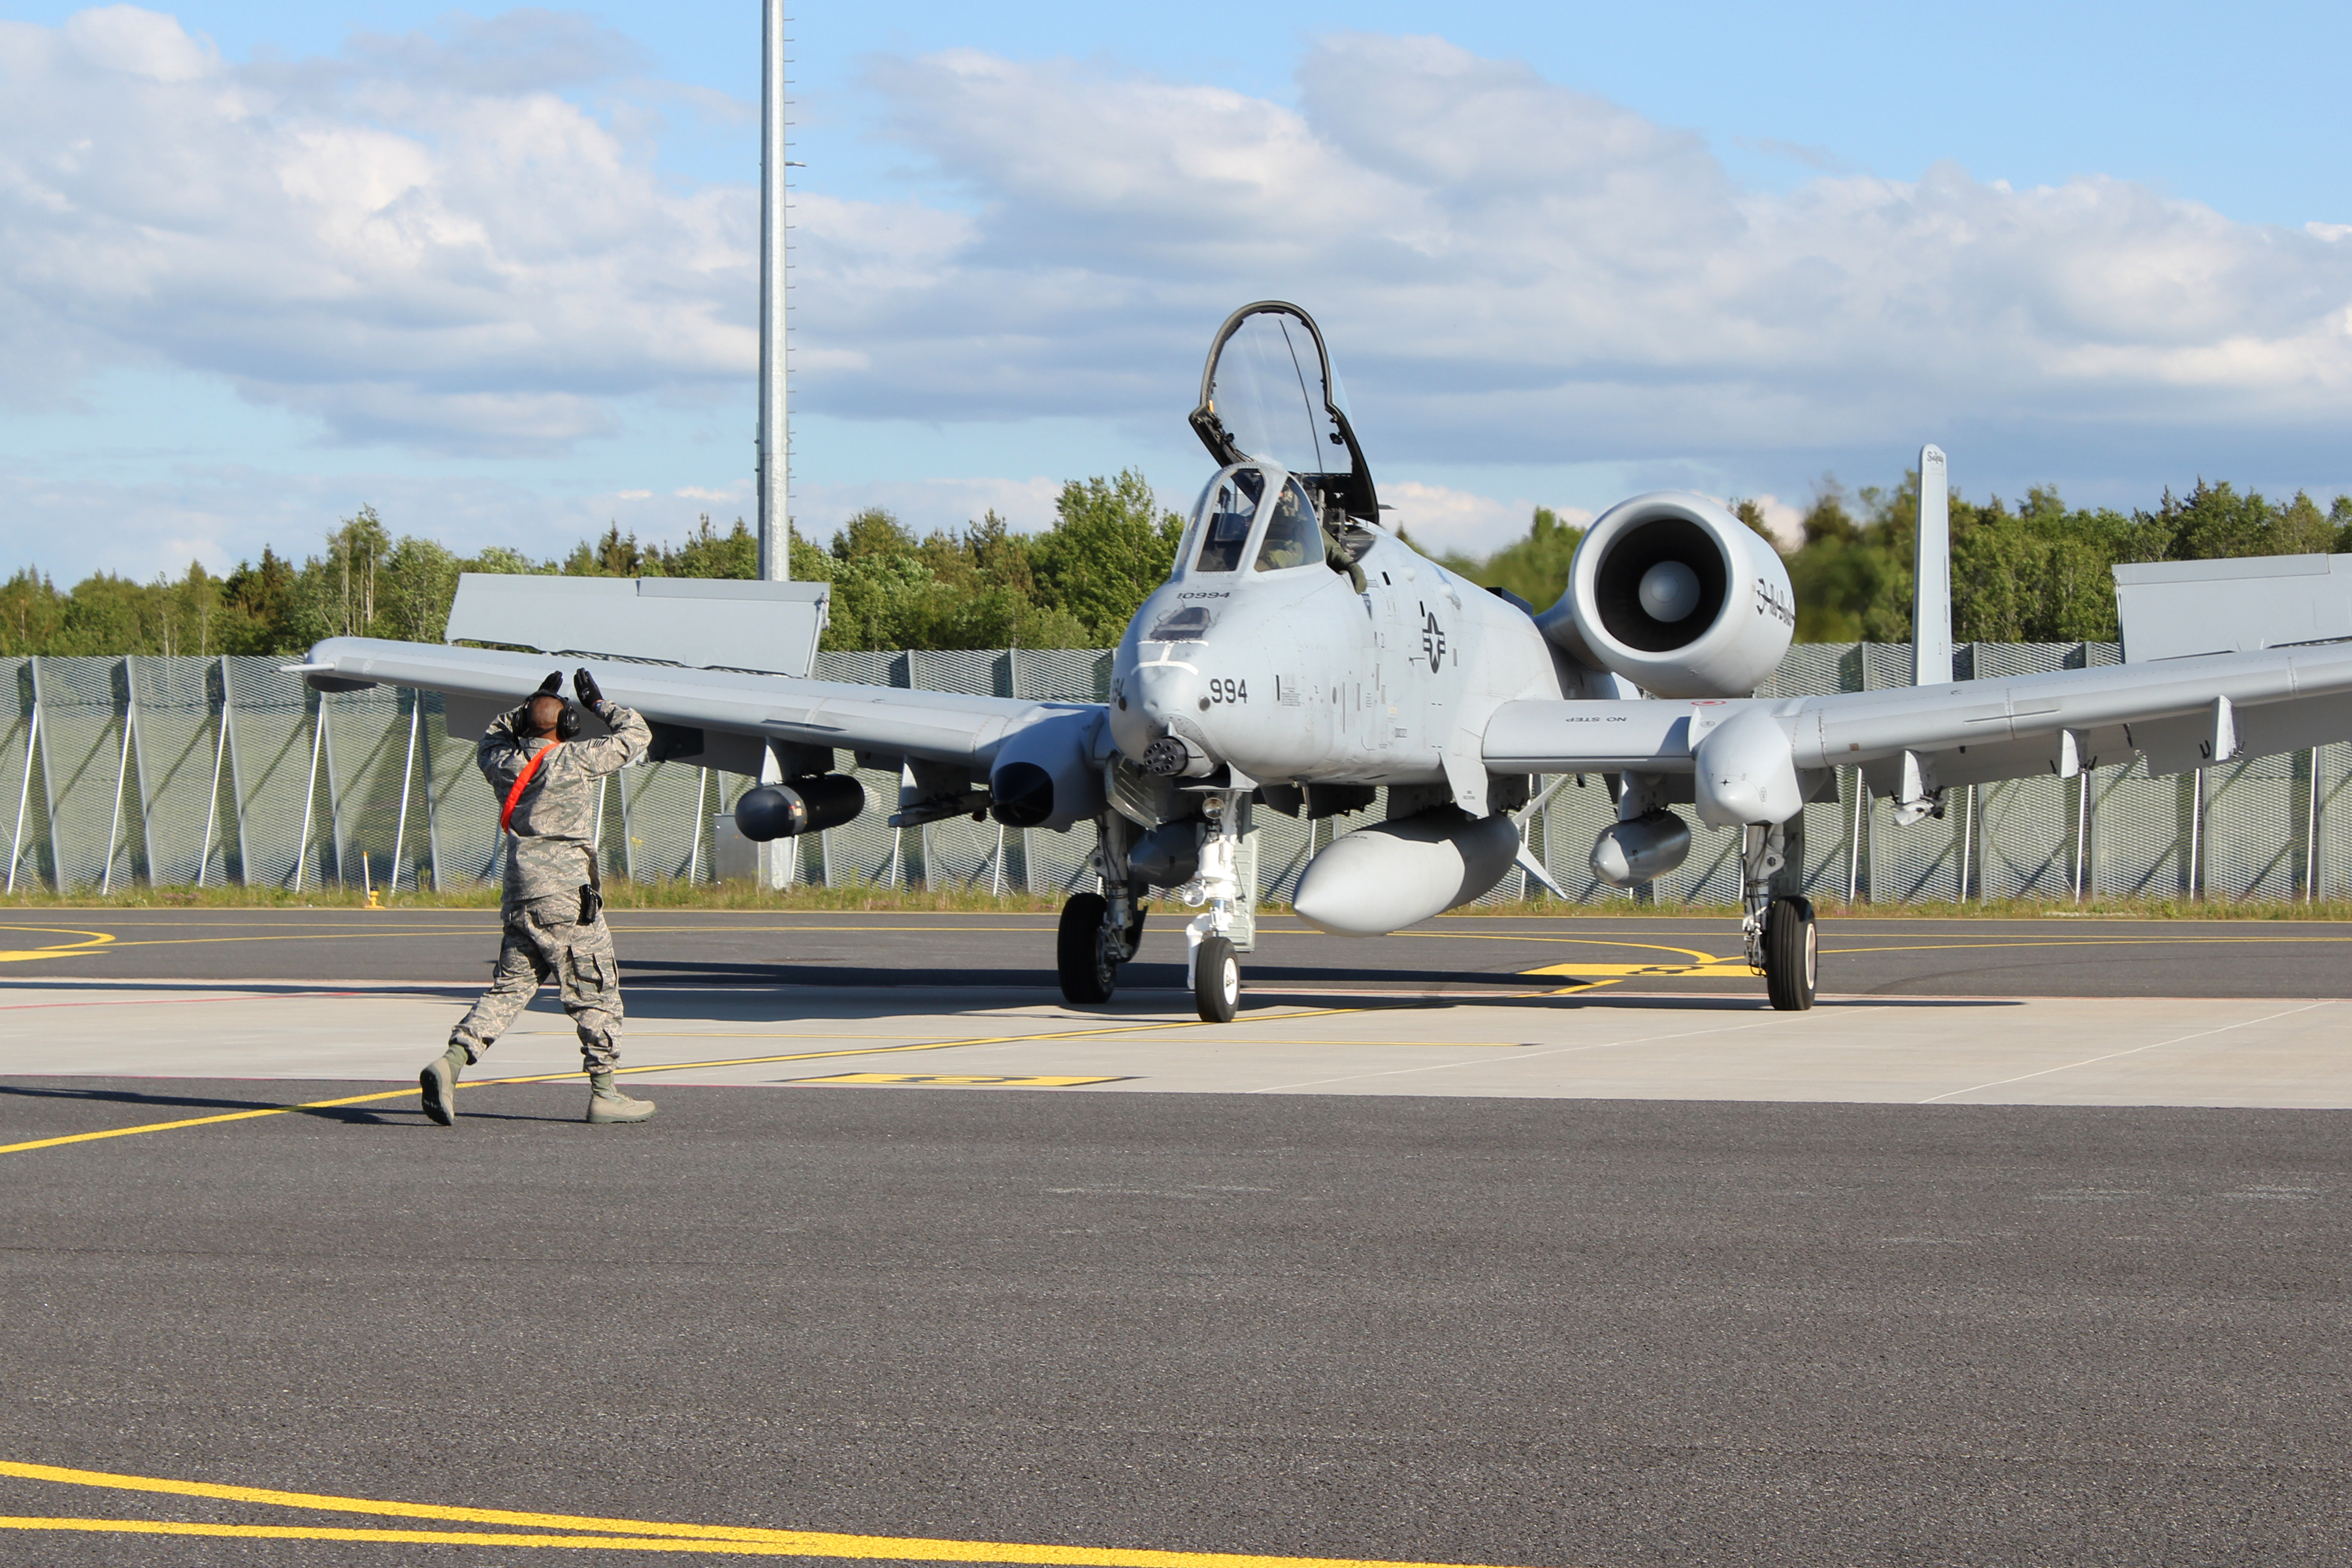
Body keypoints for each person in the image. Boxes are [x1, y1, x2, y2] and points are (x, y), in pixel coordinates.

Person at [419, 668, 655, 1126]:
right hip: (566, 896)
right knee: (596, 990)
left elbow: (492, 736)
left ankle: (450, 1062)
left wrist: (533, 704)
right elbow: (638, 734)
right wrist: (598, 705)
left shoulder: (504, 764)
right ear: (566, 728)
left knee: (510, 989)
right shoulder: (575, 759)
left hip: (521, 894)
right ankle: (605, 1093)